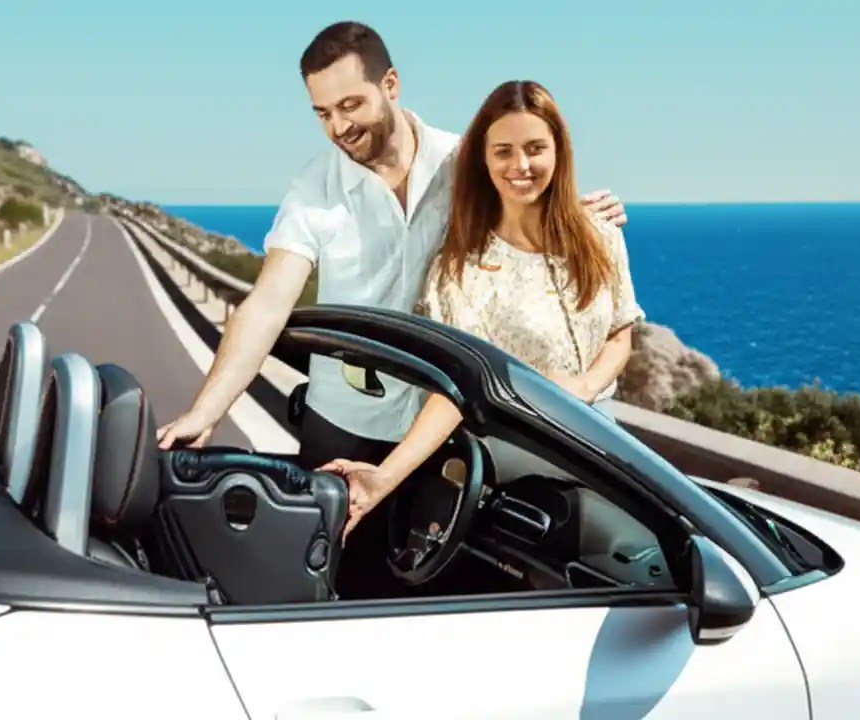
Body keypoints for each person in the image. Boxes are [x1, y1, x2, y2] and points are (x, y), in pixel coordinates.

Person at [156, 21, 626, 474]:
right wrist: (206, 412)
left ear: (391, 85)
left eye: (351, 105)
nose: (339, 127)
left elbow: (528, 188)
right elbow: (267, 304)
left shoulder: (462, 162)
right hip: (344, 423)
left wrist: (585, 212)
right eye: (323, 113)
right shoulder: (315, 187)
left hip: (441, 429)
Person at [320, 78, 646, 540]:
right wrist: (383, 478)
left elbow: (620, 332)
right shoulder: (460, 268)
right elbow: (453, 390)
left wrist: (583, 388)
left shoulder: (602, 234)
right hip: (520, 468)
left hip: (606, 443)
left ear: (559, 151)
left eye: (535, 148)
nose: (521, 165)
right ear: (484, 159)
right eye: (504, 152)